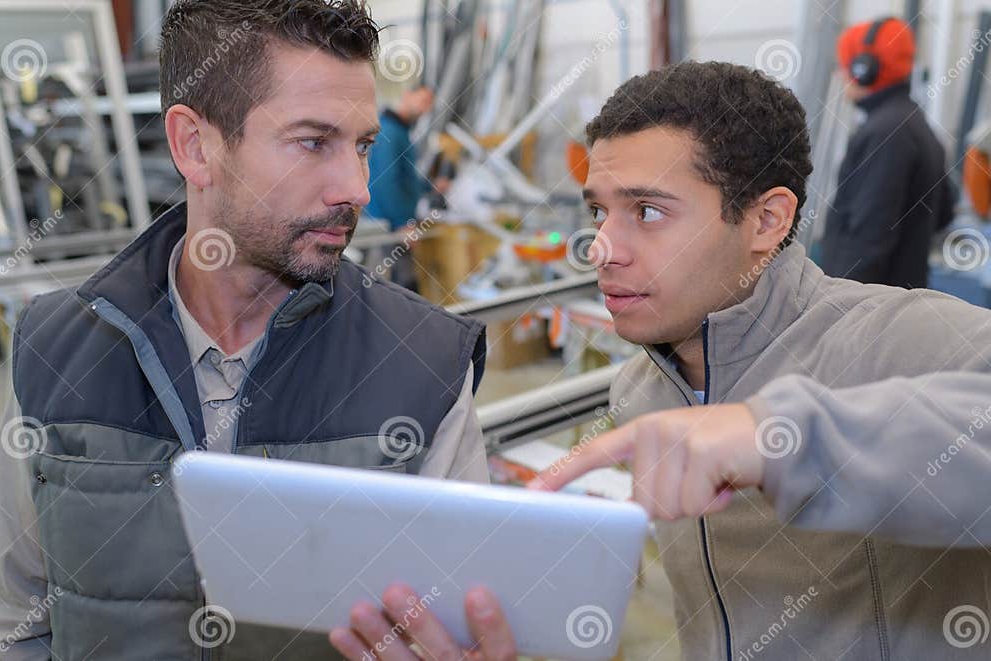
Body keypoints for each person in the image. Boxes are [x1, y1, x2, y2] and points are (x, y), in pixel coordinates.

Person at [331, 61, 991, 661]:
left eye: (647, 211)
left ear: (766, 221)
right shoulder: (643, 387)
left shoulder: (893, 338)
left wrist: (778, 436)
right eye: (599, 211)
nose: (601, 248)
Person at [0, 2, 490, 659]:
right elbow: (17, 622)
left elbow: (459, 628)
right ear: (195, 146)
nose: (357, 188)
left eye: (363, 144)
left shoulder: (428, 368)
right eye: (314, 141)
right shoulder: (53, 350)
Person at [819, 16, 954, 288]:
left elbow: (868, 239)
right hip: (899, 301)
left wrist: (835, 306)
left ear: (864, 68)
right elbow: (945, 213)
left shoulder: (885, 134)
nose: (839, 75)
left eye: (845, 65)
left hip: (869, 310)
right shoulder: (914, 123)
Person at [365, 86, 445, 291]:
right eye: (422, 100)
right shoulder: (389, 131)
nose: (424, 108)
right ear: (407, 95)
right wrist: (402, 224)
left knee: (403, 287)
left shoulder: (401, 131)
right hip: (388, 225)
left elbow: (406, 177)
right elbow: (385, 181)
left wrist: (430, 187)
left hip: (397, 223)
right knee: (394, 289)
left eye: (429, 104)